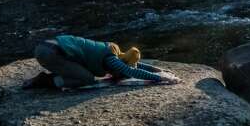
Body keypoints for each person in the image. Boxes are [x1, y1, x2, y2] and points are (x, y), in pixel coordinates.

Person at [29, 35, 180, 89]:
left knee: (81, 72)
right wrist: (162, 78)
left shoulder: (115, 54)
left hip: (47, 46)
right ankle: (46, 80)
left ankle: (55, 74)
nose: (119, 75)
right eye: (120, 74)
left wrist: (158, 70)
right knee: (86, 78)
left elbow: (137, 65)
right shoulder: (111, 59)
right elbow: (131, 71)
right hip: (51, 53)